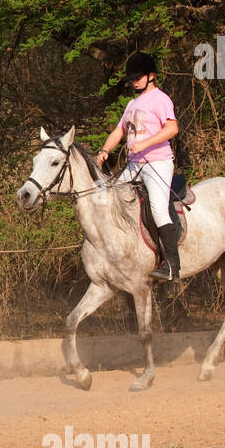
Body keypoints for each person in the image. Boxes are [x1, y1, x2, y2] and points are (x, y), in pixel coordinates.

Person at [95, 51, 182, 282]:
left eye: (138, 77)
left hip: (157, 163)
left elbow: (172, 129)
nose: (134, 81)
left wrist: (144, 143)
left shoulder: (161, 99)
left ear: (151, 76)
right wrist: (105, 150)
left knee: (158, 209)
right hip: (135, 165)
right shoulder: (132, 104)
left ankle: (173, 267)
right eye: (132, 78)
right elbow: (119, 131)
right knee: (107, 196)